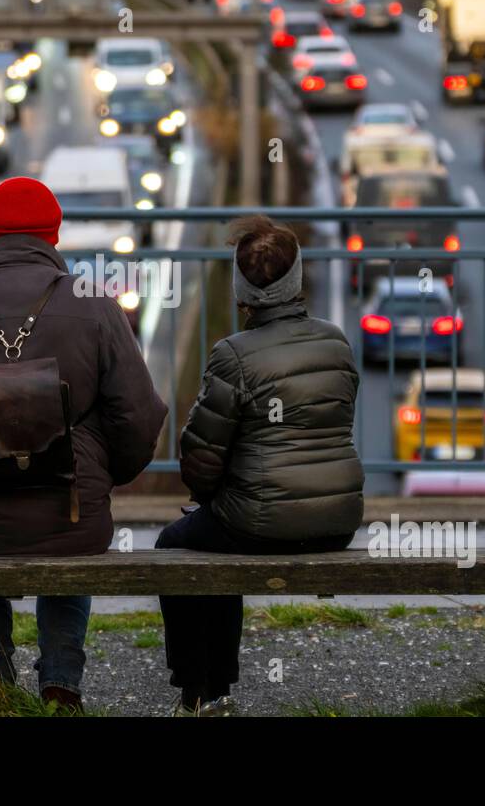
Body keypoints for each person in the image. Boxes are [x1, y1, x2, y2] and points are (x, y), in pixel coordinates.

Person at [0, 176, 167, 710]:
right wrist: (98, 480)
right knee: (68, 547)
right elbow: (137, 418)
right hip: (72, 517)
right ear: (54, 234)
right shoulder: (96, 309)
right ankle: (61, 684)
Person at [156, 215, 364, 716]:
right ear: (297, 282)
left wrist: (212, 497)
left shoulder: (234, 355)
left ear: (242, 291)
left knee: (179, 546)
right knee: (218, 530)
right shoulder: (335, 342)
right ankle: (214, 691)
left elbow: (200, 460)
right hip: (337, 521)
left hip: (258, 524)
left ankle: (200, 692)